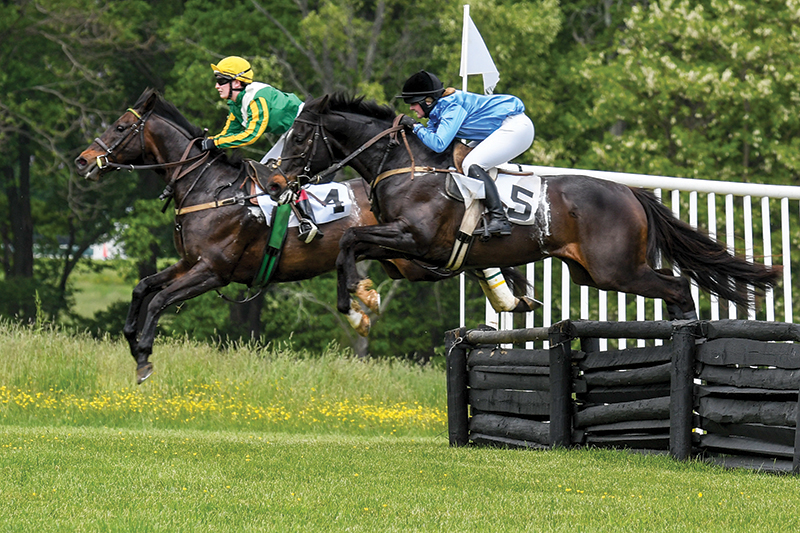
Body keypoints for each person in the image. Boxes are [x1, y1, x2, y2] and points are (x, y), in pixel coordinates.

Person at [397, 70, 534, 237]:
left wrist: (415, 126)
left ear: (427, 101)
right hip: (498, 130)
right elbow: (430, 143)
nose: (411, 108)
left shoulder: (452, 106)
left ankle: (499, 218)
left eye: (413, 103)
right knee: (462, 162)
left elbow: (439, 144)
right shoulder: (437, 113)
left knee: (471, 164)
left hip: (516, 127)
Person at [202, 55, 322, 242]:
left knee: (273, 175)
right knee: (265, 174)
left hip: (305, 128)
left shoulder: (256, 98)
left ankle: (307, 221)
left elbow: (251, 134)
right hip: (292, 132)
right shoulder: (235, 102)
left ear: (237, 82)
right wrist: (210, 142)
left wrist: (215, 143)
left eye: (221, 81)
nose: (217, 86)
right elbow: (229, 133)